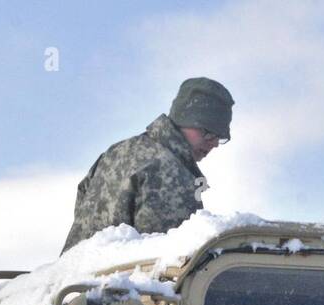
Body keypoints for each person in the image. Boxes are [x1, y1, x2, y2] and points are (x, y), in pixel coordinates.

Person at [63, 77, 234, 252]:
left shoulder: (117, 151)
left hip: (70, 276)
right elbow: (172, 260)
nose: (213, 144)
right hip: (122, 278)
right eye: (208, 133)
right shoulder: (170, 171)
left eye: (220, 138)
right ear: (186, 120)